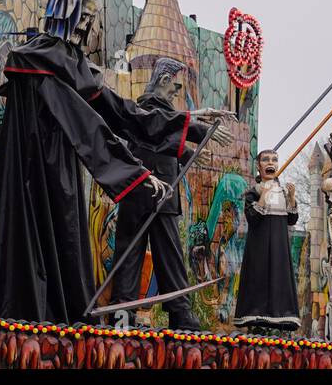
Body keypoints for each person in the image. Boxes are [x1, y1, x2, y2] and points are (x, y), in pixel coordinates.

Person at [0, 0, 169, 324]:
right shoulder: (44, 61)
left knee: (63, 234)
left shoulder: (63, 62)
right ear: (66, 16)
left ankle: (61, 311)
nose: (89, 26)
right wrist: (136, 174)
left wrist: (184, 127)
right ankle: (51, 314)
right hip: (38, 166)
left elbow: (115, 111)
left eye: (91, 18)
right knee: (49, 234)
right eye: (84, 17)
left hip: (55, 162)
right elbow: (87, 125)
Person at [91, 57, 233, 330]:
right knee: (133, 251)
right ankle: (128, 310)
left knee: (165, 253)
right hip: (148, 187)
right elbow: (160, 130)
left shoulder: (163, 114)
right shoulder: (148, 110)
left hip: (154, 189)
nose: (178, 93)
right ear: (165, 80)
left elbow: (167, 137)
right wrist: (198, 130)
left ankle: (172, 310)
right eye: (177, 86)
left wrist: (187, 152)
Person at [234, 149, 301, 331]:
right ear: (259, 166)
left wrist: (292, 198)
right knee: (259, 276)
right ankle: (255, 316)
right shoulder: (253, 192)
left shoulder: (283, 192)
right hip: (259, 246)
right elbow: (253, 218)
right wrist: (263, 195)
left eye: (274, 160)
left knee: (280, 276)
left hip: (279, 245)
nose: (271, 163)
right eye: (266, 160)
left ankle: (281, 315)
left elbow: (292, 220)